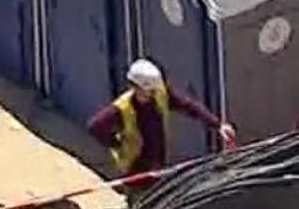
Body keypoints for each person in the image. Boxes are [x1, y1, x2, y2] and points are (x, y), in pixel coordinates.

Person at [88, 59, 235, 180]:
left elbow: (189, 106)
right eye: (149, 91)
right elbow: (95, 127)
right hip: (136, 168)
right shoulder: (121, 109)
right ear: (135, 87)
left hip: (158, 160)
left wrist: (218, 125)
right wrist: (116, 144)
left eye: (154, 90)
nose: (152, 94)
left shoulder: (161, 95)